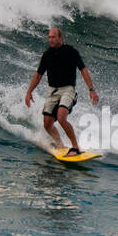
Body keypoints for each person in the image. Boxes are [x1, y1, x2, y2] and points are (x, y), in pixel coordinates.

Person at [24, 26, 99, 155]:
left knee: (61, 116)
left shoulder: (71, 51)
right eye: (49, 37)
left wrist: (91, 90)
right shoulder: (47, 54)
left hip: (68, 90)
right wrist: (29, 92)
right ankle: (60, 145)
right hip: (53, 91)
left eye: (53, 37)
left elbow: (83, 70)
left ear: (60, 38)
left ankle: (75, 148)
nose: (51, 40)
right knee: (47, 123)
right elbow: (38, 75)